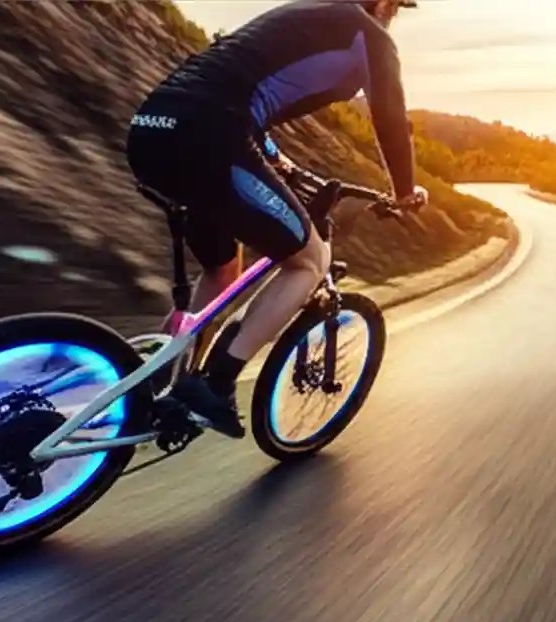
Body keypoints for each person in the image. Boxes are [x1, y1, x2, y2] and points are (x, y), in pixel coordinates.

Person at [126, 0, 428, 438]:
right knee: (309, 260)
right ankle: (213, 385)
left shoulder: (296, 14)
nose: (394, 16)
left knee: (223, 270)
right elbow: (391, 116)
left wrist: (278, 162)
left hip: (153, 129)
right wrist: (404, 191)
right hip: (211, 137)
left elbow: (235, 83)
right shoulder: (371, 36)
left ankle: (154, 384)